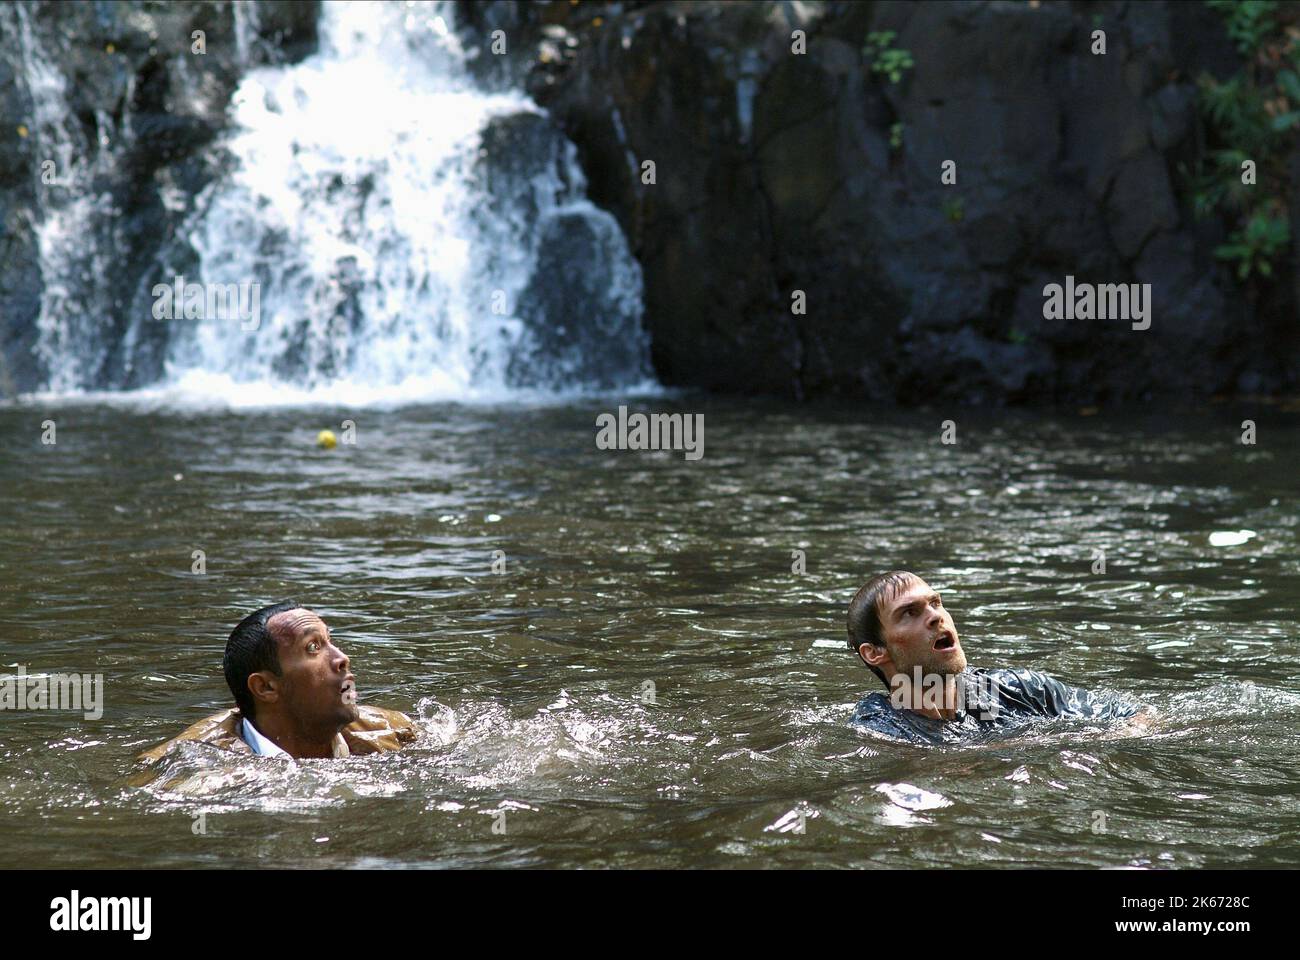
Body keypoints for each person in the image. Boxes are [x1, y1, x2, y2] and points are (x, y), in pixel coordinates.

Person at [846, 571, 1147, 743]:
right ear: (875, 653)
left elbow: (1135, 715)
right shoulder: (875, 726)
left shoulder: (1022, 689)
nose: (936, 617)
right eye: (910, 612)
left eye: (936, 603)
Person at [138, 601, 416, 765]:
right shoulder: (198, 764)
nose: (342, 658)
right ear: (266, 688)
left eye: (330, 641)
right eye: (313, 648)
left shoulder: (393, 729)